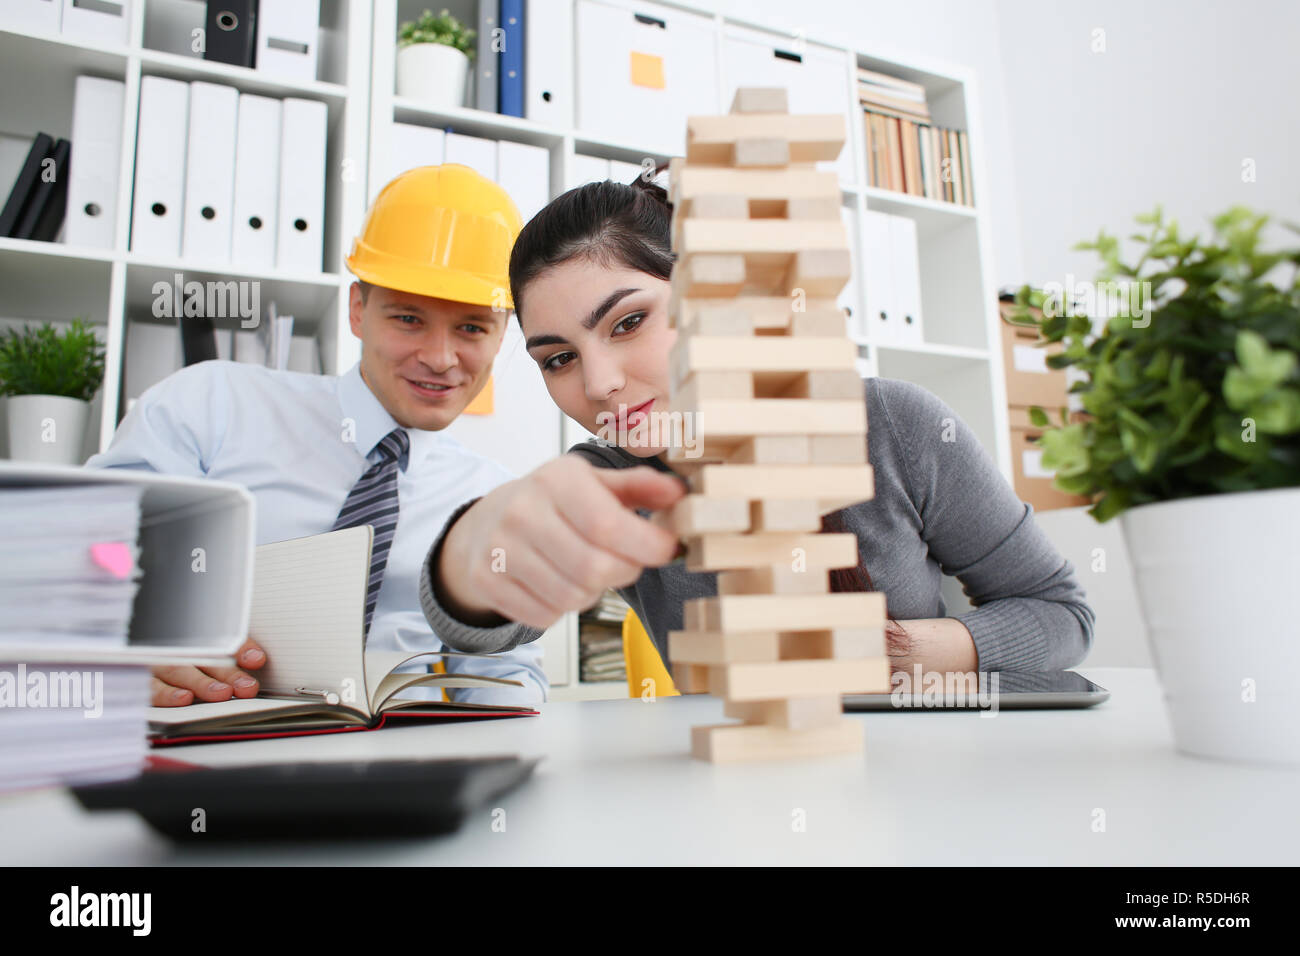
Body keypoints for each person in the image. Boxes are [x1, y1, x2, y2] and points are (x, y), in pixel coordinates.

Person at [418, 173, 1095, 681]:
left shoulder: (896, 426)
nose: (597, 384)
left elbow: (1060, 612)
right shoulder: (613, 481)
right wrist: (472, 553)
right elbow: (480, 629)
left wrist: (915, 651)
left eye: (628, 323)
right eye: (558, 359)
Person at [89, 164, 546, 707]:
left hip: (402, 761)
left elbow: (511, 682)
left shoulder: (494, 501)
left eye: (471, 327)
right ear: (358, 310)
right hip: (208, 738)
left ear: (501, 338)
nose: (440, 358)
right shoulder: (209, 406)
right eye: (408, 319)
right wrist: (129, 638)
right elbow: (91, 555)